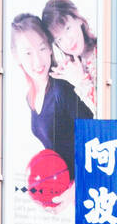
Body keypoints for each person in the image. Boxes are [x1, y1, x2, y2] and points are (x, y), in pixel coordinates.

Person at [9, 13, 92, 192]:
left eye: (41, 48)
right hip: (65, 192)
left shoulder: (62, 89)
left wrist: (76, 189)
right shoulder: (30, 97)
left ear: (49, 48)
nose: (37, 61)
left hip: (88, 187)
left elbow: (96, 136)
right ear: (17, 57)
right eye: (28, 53)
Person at [41, 0, 97, 112]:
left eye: (67, 29)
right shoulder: (70, 69)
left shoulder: (105, 52)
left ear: (78, 18)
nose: (68, 41)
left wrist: (81, 81)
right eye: (59, 40)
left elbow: (110, 108)